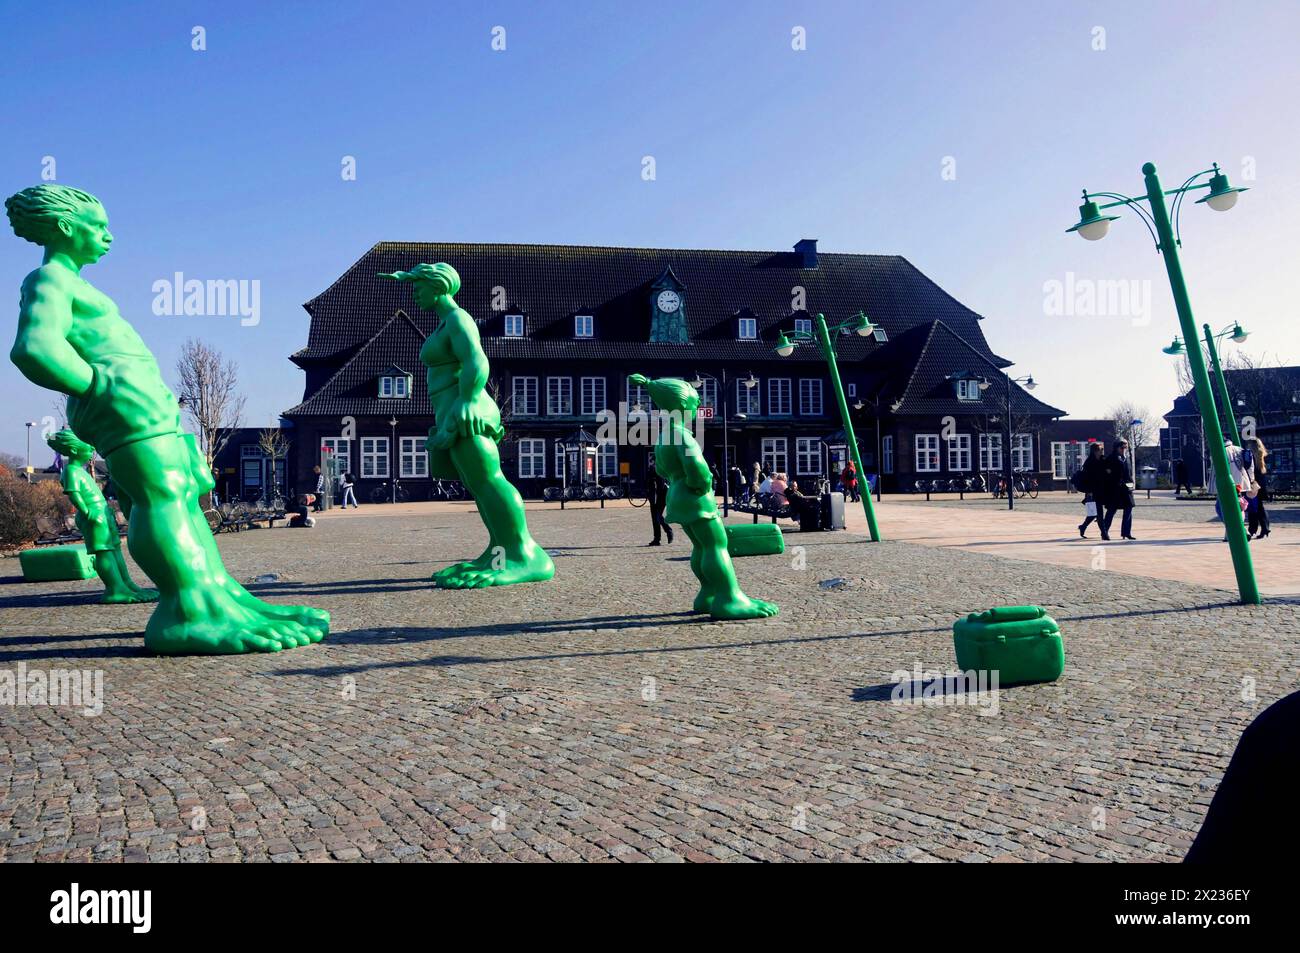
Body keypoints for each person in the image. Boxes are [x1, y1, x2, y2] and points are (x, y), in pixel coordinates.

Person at [6, 183, 328, 653]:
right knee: (160, 499)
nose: (108, 236)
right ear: (63, 227)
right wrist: (102, 386)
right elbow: (35, 348)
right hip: (127, 408)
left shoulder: (73, 282)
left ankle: (218, 597)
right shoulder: (48, 280)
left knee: (177, 496)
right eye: (97, 226)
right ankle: (184, 611)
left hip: (143, 408)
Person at [379, 262, 553, 588]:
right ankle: (498, 552)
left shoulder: (459, 319)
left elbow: (477, 359)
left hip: (467, 412)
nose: (415, 295)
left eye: (419, 288)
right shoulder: (444, 324)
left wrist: (468, 401)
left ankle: (523, 556)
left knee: (489, 480)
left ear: (438, 287)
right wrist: (408, 276)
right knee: (477, 485)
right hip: (453, 412)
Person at [631, 374, 776, 619]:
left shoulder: (663, 435)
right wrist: (703, 483)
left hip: (677, 495)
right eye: (696, 402)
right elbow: (696, 466)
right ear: (684, 405)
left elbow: (660, 470)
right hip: (694, 497)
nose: (698, 407)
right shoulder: (682, 434)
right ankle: (729, 598)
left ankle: (707, 594)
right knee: (716, 545)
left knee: (700, 546)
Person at [46, 428, 158, 604]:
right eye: (88, 447)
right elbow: (74, 494)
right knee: (104, 552)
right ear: (74, 450)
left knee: (115, 550)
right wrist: (87, 512)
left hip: (102, 513)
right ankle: (115, 589)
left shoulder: (80, 471)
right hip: (94, 516)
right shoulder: (71, 471)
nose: (92, 450)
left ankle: (127, 584)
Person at [1099, 440, 1136, 541]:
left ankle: (1126, 532)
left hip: (1126, 489)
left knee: (1129, 508)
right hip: (1115, 489)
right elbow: (1107, 473)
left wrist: (1131, 484)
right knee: (1111, 510)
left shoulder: (1126, 458)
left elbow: (1128, 474)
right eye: (1122, 447)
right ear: (1116, 448)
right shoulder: (1111, 458)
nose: (1124, 450)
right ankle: (1104, 532)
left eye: (1125, 448)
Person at [1076, 442, 1107, 538]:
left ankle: (1083, 526)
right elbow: (1086, 479)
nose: (1101, 451)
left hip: (1100, 490)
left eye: (1102, 449)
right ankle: (1104, 534)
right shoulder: (1089, 462)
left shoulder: (1102, 460)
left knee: (1093, 514)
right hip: (1091, 491)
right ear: (1094, 451)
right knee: (1099, 513)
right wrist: (1089, 492)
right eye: (1099, 449)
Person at [1244, 438, 1270, 539]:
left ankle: (1253, 529)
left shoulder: (1250, 456)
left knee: (1252, 508)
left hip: (1253, 484)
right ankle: (1264, 528)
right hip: (1261, 485)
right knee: (1259, 507)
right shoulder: (1262, 455)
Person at [646, 455, 673, 546]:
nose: (650, 462)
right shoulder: (664, 469)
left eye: (651, 460)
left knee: (657, 517)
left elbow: (658, 485)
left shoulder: (655, 469)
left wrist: (653, 498)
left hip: (658, 497)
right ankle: (657, 539)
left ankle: (667, 531)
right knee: (656, 518)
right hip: (660, 496)